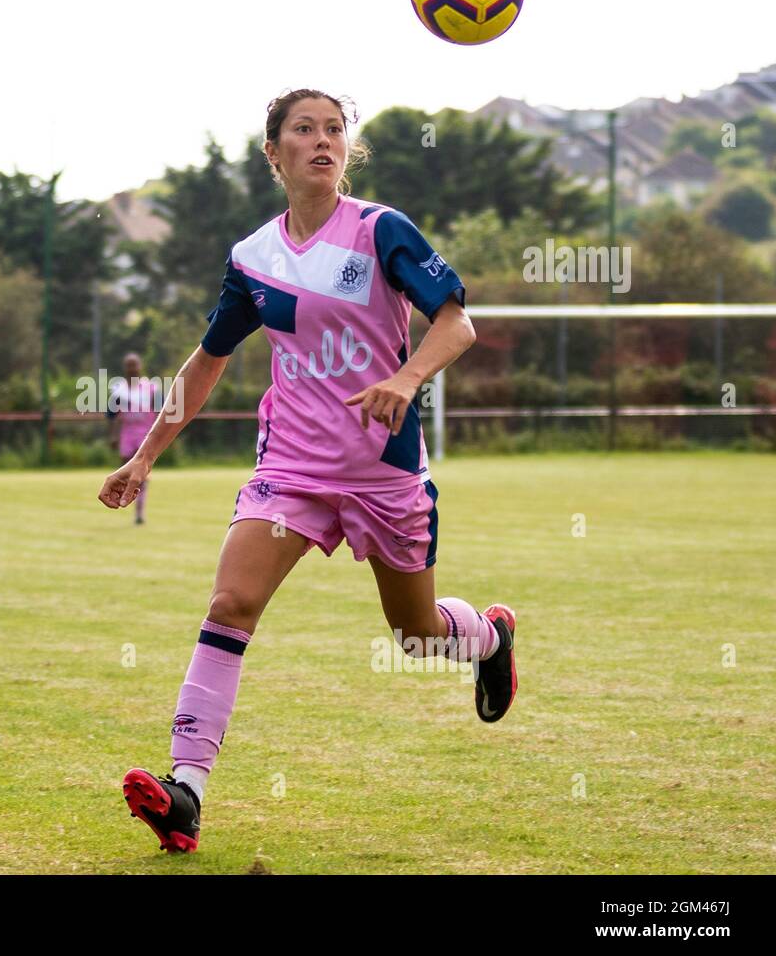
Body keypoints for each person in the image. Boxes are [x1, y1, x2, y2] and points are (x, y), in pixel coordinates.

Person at [97, 88, 518, 854]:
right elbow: (207, 362)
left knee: (415, 637)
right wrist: (145, 455)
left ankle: (489, 638)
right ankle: (185, 792)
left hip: (384, 471)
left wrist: (404, 380)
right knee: (231, 603)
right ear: (274, 153)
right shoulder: (252, 259)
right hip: (291, 468)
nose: (324, 141)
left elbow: (457, 323)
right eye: (304, 130)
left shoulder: (381, 231)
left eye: (335, 130)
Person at [105, 352, 158, 525]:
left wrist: (160, 437)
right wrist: (113, 436)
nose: (132, 368)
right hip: (127, 433)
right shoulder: (119, 390)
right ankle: (125, 501)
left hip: (146, 433)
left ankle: (139, 511)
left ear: (140, 366)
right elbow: (112, 415)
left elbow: (160, 412)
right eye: (129, 365)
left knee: (142, 472)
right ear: (125, 368)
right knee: (126, 471)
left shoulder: (150, 388)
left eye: (134, 364)